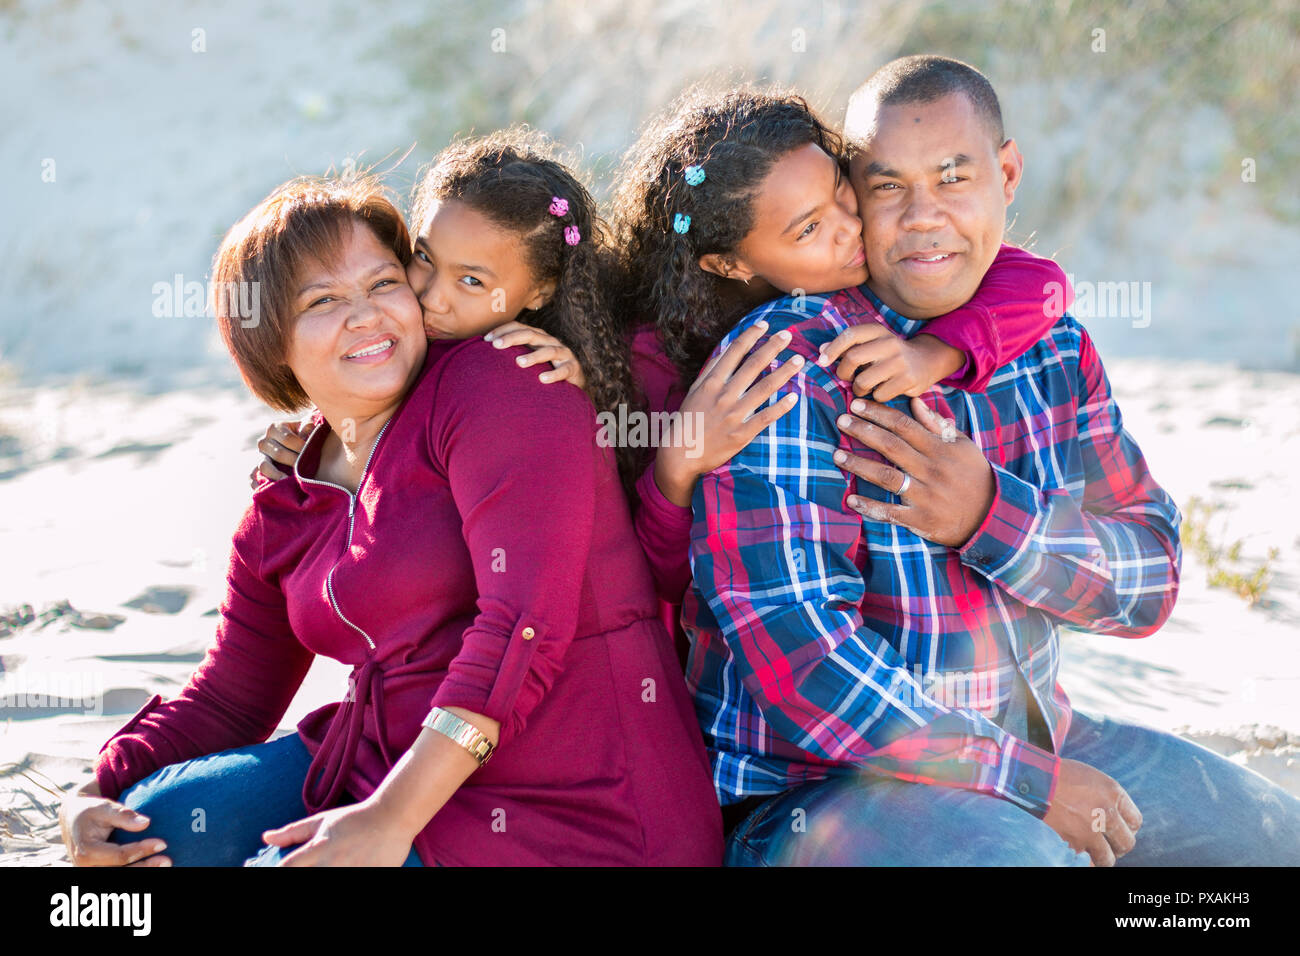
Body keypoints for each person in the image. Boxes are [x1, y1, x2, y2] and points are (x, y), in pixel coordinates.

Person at [685, 55, 1300, 866]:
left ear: (1007, 174)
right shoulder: (797, 361)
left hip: (1041, 740)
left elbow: (1149, 578)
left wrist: (988, 516)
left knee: (1269, 841)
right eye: (887, 187)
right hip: (826, 795)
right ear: (853, 197)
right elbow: (804, 665)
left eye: (953, 177)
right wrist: (1027, 784)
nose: (923, 218)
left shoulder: (1054, 349)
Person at [56, 169, 723, 867]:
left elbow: (521, 630)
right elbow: (228, 700)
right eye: (323, 300)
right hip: (382, 767)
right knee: (146, 823)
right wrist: (89, 791)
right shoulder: (286, 498)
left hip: (580, 803)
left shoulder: (502, 384)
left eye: (383, 283)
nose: (367, 316)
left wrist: (385, 821)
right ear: (269, 342)